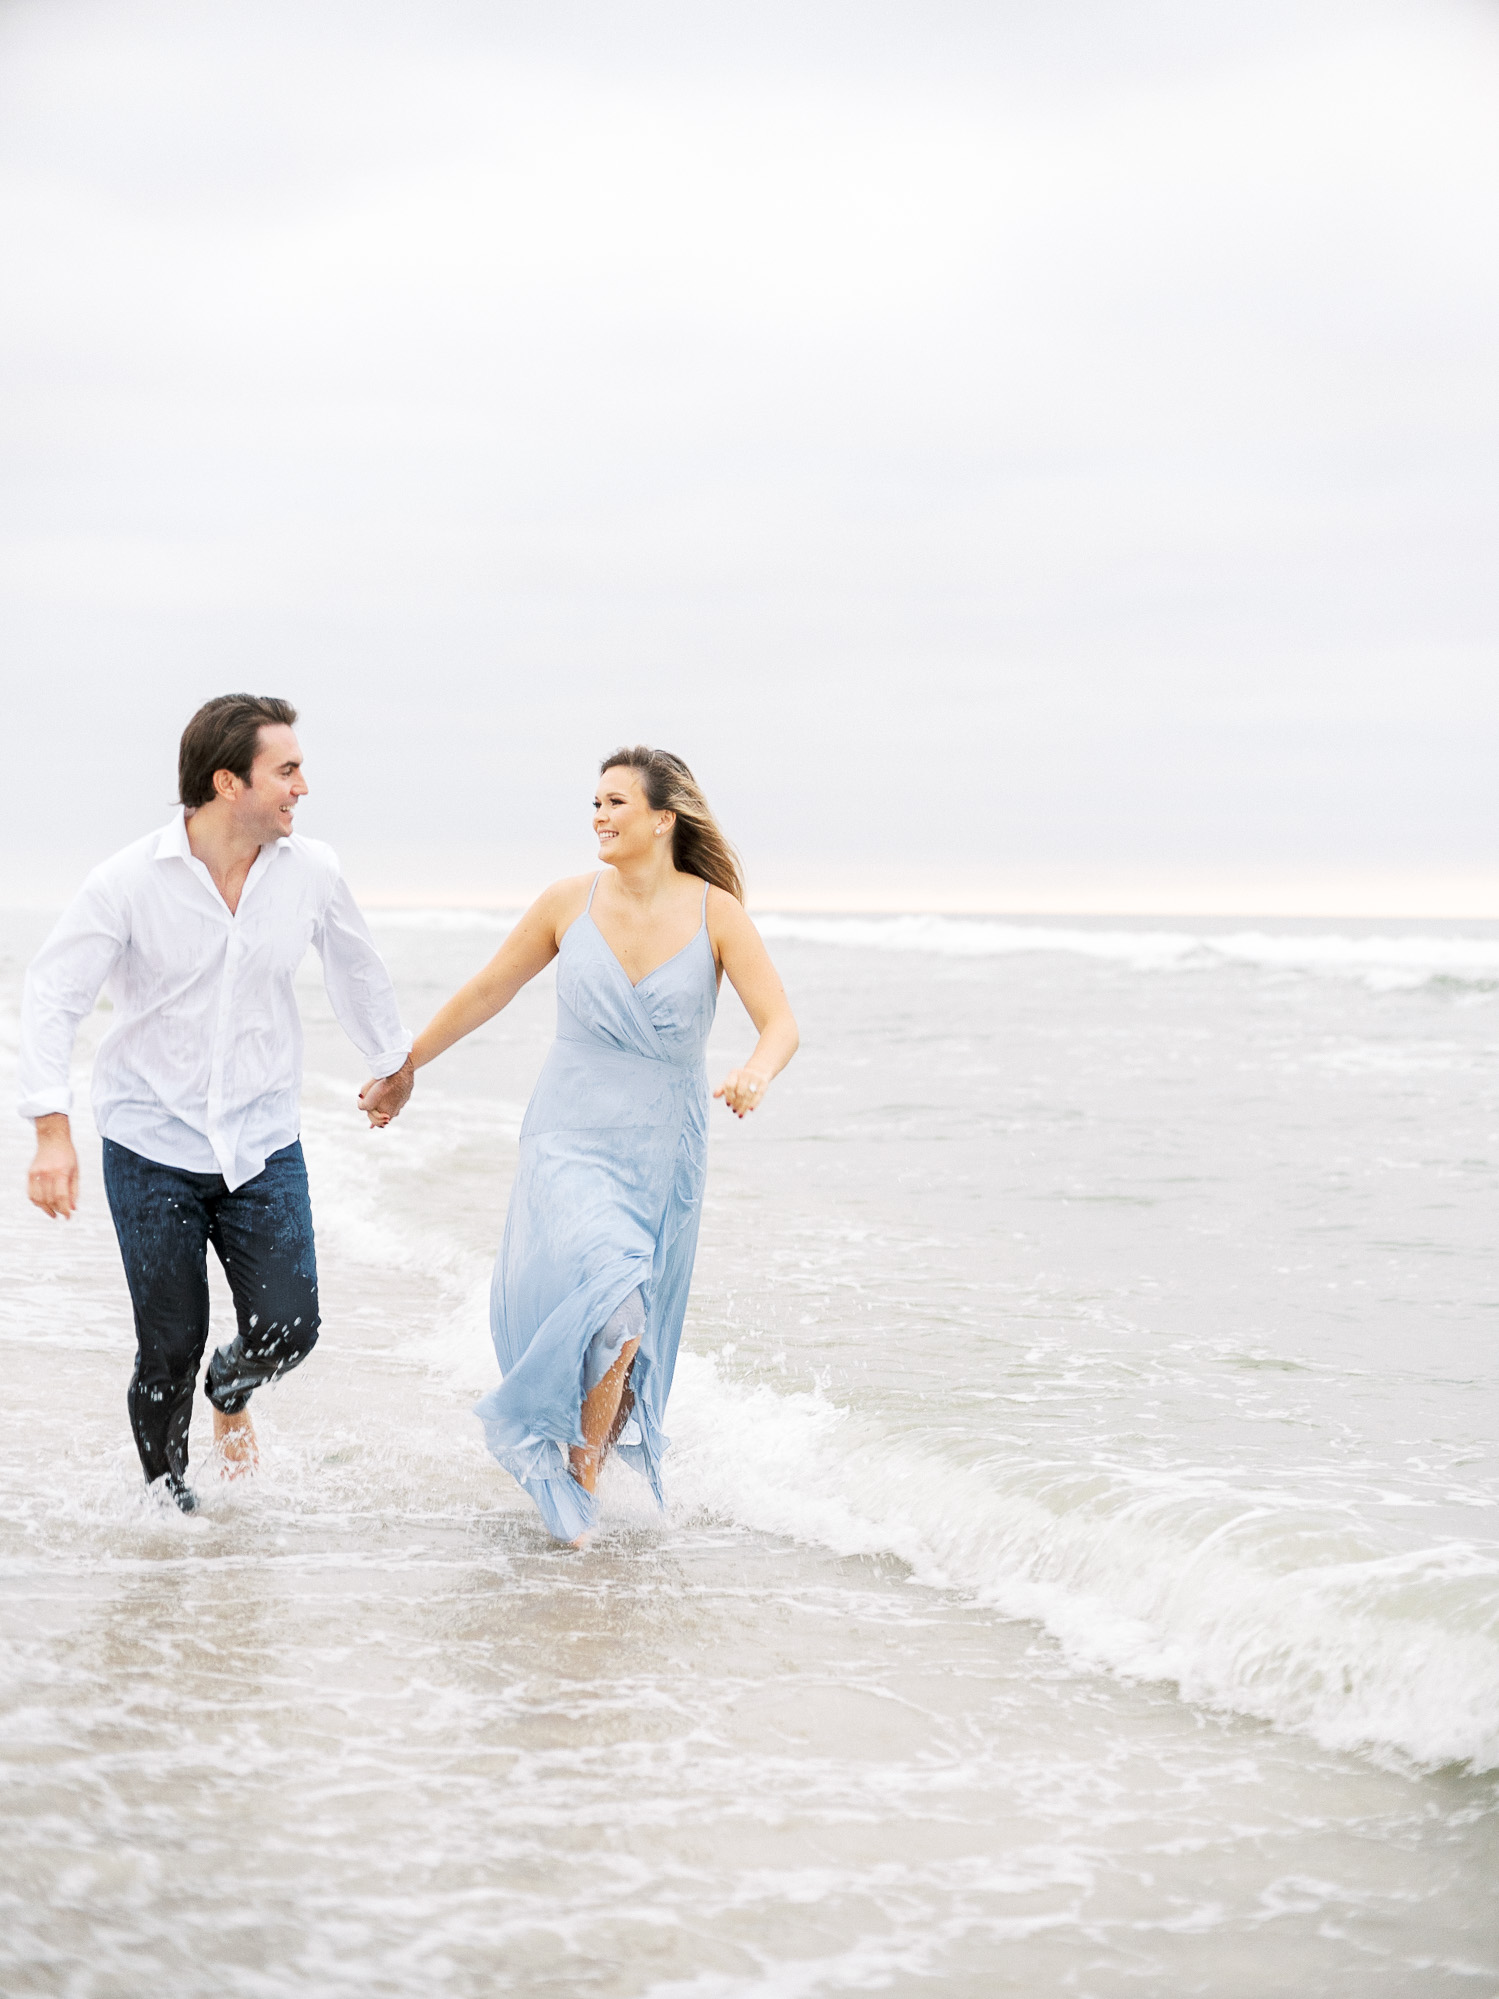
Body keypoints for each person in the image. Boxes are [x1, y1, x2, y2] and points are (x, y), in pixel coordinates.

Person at [360, 746, 798, 1544]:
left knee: (626, 1327)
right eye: (594, 803)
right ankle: (578, 1482)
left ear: (663, 817)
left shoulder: (715, 913)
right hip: (568, 1133)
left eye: (616, 802)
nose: (598, 816)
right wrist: (405, 1065)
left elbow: (781, 1024)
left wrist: (755, 1073)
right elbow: (489, 988)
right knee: (613, 1292)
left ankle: (576, 1463)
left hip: (663, 1146)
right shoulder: (566, 901)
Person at [19, 694, 412, 1512]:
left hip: (261, 1141)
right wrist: (51, 1132)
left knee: (289, 1328)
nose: (304, 786)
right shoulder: (127, 882)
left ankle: (229, 1390)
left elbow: (357, 966)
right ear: (228, 781)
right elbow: (53, 994)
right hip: (149, 1138)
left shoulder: (312, 872)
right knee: (166, 1344)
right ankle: (171, 1511)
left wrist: (390, 1065)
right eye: (288, 770)